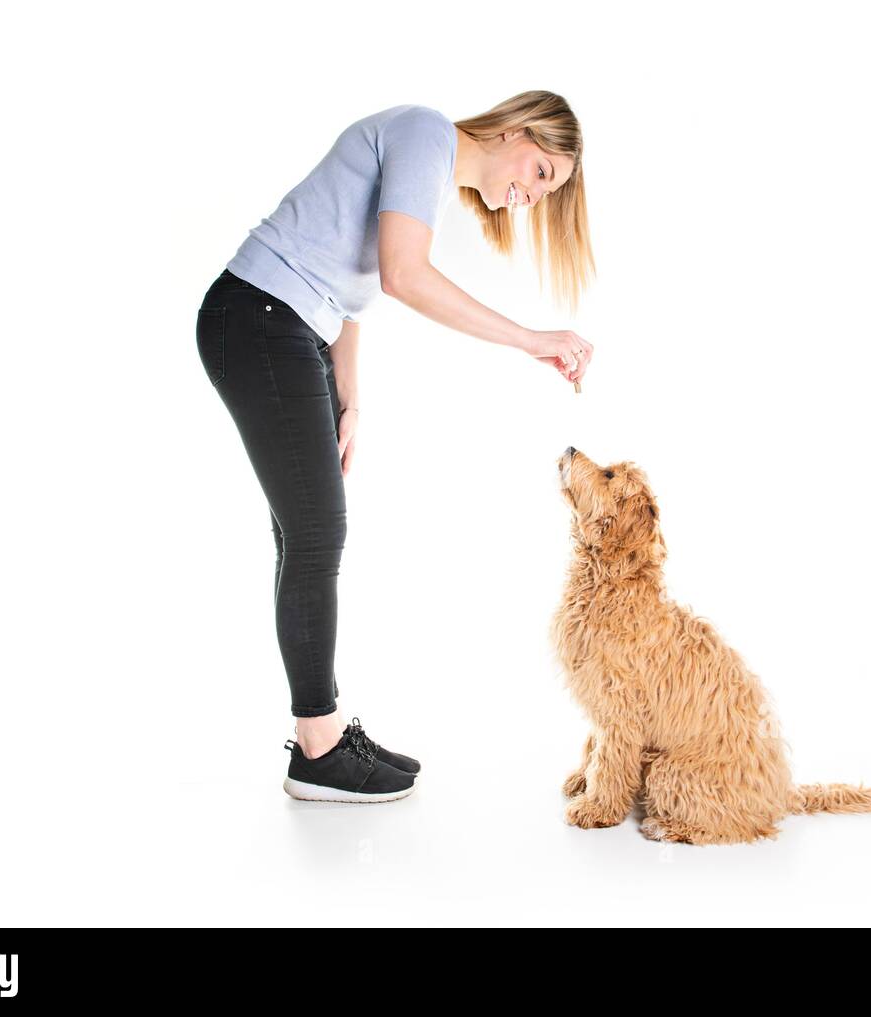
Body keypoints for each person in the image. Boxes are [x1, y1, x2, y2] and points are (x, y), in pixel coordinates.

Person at [194, 90, 596, 804]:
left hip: (288, 324)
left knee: (305, 535)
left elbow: (347, 287)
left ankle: (321, 734)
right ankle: (317, 747)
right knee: (316, 535)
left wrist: (349, 394)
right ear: (516, 129)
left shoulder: (430, 167)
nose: (531, 196)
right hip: (259, 315)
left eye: (546, 192)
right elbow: (401, 274)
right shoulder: (426, 132)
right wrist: (532, 340)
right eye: (541, 173)